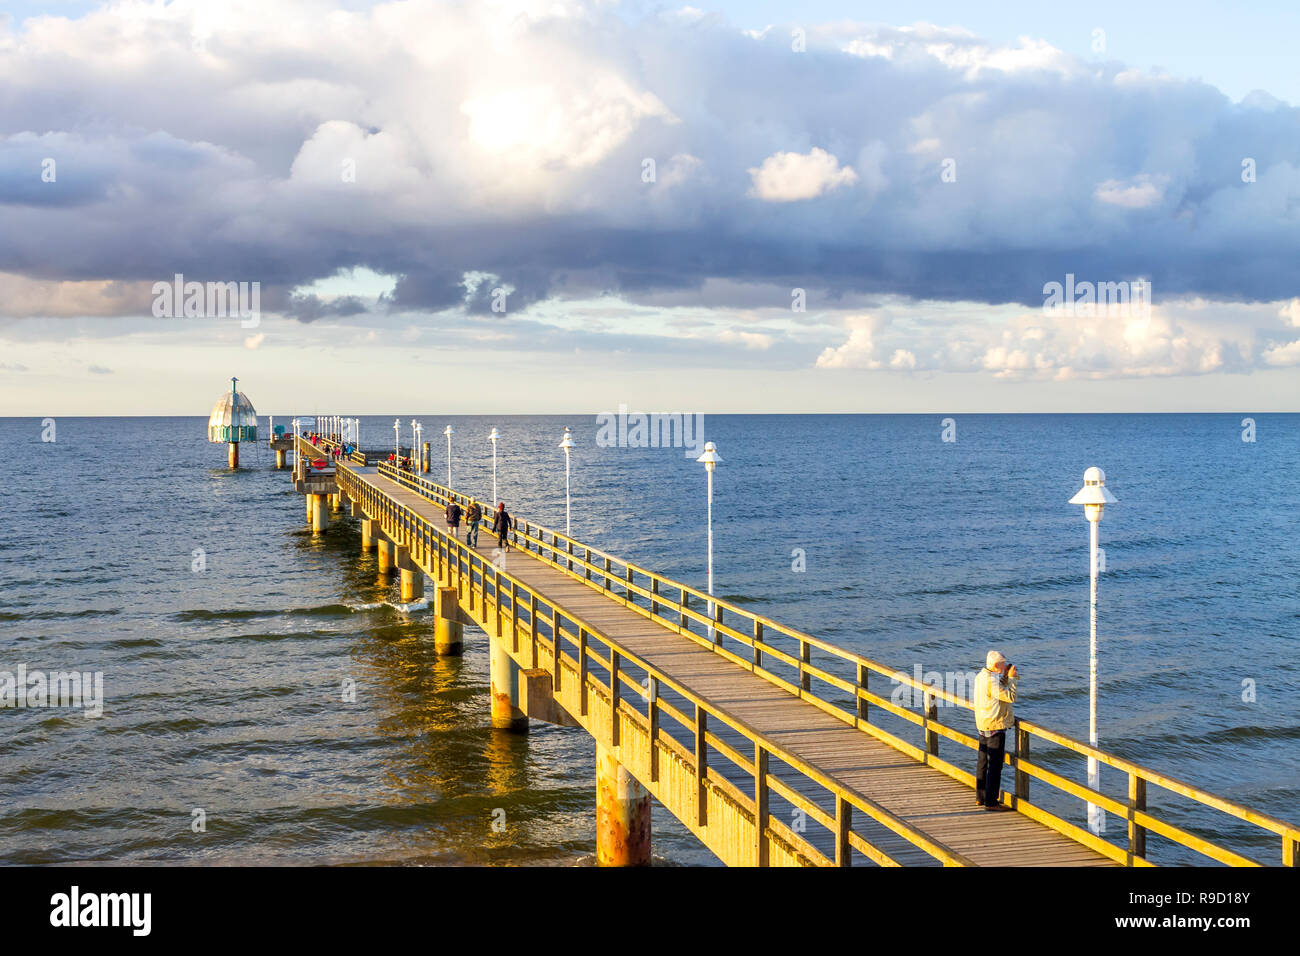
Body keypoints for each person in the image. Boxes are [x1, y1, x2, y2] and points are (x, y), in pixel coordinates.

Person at [973, 650, 1019, 811]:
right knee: (995, 765)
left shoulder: (982, 677)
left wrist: (1005, 676)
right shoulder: (990, 681)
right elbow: (1010, 697)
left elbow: (998, 692)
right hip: (995, 725)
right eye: (1003, 664)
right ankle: (991, 802)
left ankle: (981, 797)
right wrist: (1012, 678)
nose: (1005, 665)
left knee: (983, 762)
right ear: (995, 665)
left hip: (983, 724)